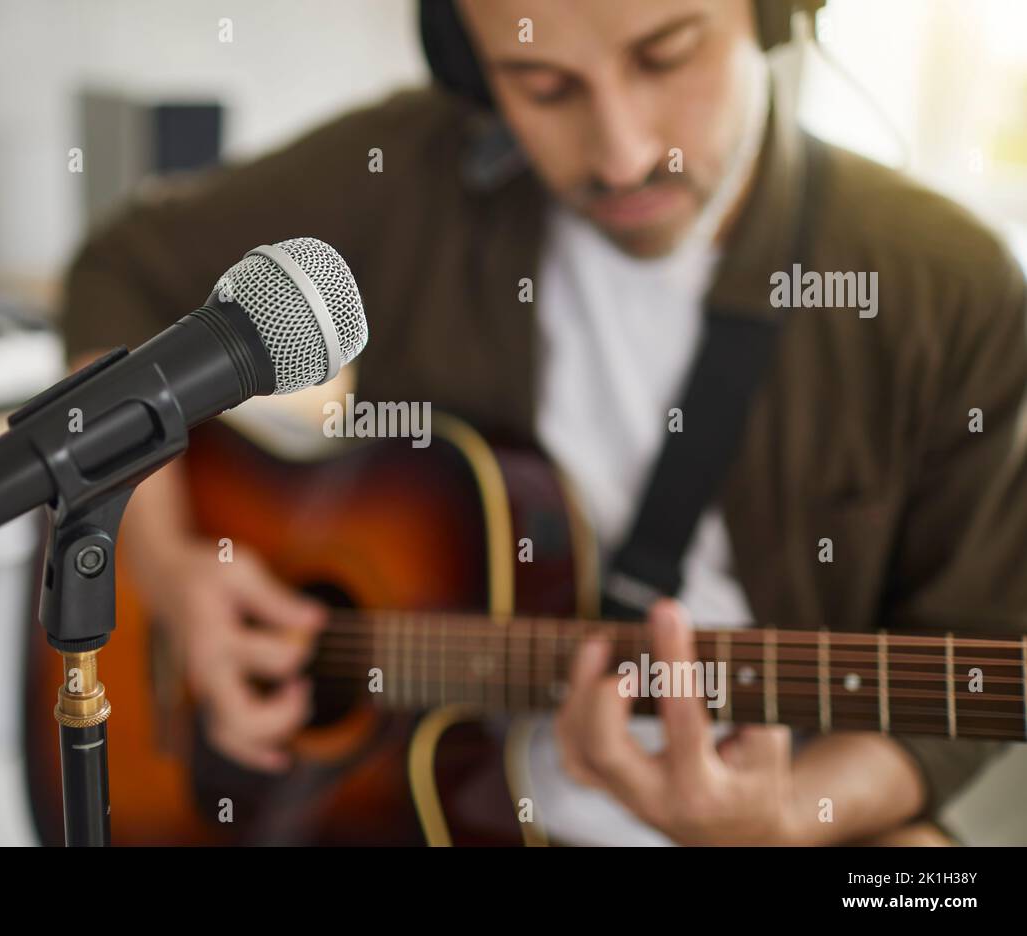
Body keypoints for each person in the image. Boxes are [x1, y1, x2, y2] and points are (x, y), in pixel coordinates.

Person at [60, 0, 1027, 845]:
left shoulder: (950, 286)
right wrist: (169, 563)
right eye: (541, 83)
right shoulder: (408, 166)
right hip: (395, 810)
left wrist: (789, 815)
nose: (623, 152)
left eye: (668, 54)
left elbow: (966, 658)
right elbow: (121, 270)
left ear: (776, 12)